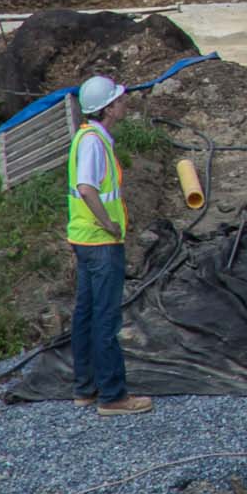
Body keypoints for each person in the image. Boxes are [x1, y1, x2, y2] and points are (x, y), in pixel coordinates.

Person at [66, 76, 152, 415]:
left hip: (85, 239)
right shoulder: (92, 143)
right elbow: (88, 188)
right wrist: (110, 224)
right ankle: (113, 396)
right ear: (108, 109)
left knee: (86, 315)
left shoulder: (89, 138)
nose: (124, 103)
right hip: (100, 241)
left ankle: (85, 387)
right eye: (118, 100)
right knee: (105, 318)